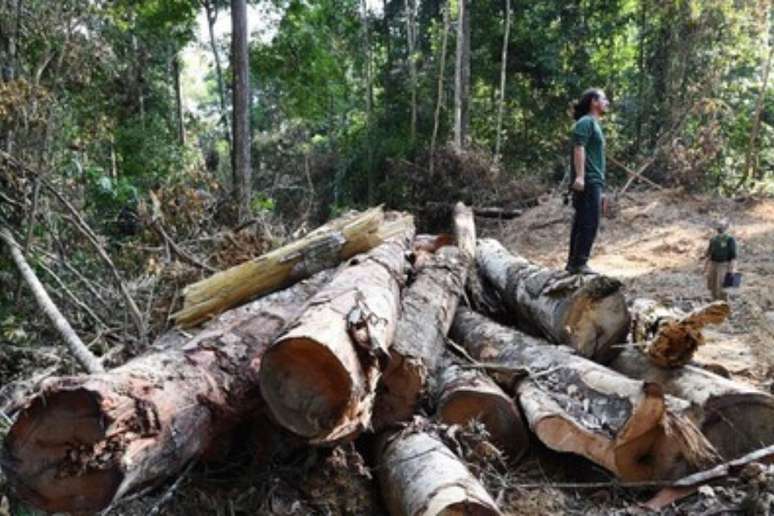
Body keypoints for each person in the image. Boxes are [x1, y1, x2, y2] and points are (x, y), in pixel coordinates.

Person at [566, 88, 609, 274]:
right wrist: (581, 176)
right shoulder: (586, 122)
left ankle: (573, 263)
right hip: (588, 180)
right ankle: (579, 263)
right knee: (589, 222)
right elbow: (579, 148)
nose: (607, 102)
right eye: (604, 99)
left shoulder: (593, 124)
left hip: (594, 180)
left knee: (583, 220)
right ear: (594, 101)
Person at [704, 219, 737, 301]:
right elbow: (709, 254)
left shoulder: (730, 239)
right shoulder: (713, 239)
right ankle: (714, 302)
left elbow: (733, 255)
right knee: (712, 284)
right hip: (713, 263)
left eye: (722, 226)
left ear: (726, 228)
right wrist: (705, 267)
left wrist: (732, 269)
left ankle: (723, 305)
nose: (720, 228)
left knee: (722, 285)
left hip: (724, 264)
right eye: (719, 226)